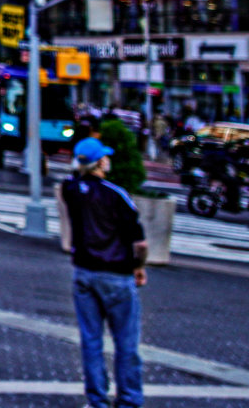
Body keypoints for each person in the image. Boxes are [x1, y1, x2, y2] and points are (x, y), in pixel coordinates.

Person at [61, 136, 146, 408]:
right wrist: (139, 266)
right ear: (101, 162)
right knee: (126, 343)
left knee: (91, 340)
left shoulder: (70, 190)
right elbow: (139, 242)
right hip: (117, 274)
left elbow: (73, 179)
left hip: (84, 271)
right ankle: (129, 399)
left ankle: (97, 398)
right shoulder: (116, 194)